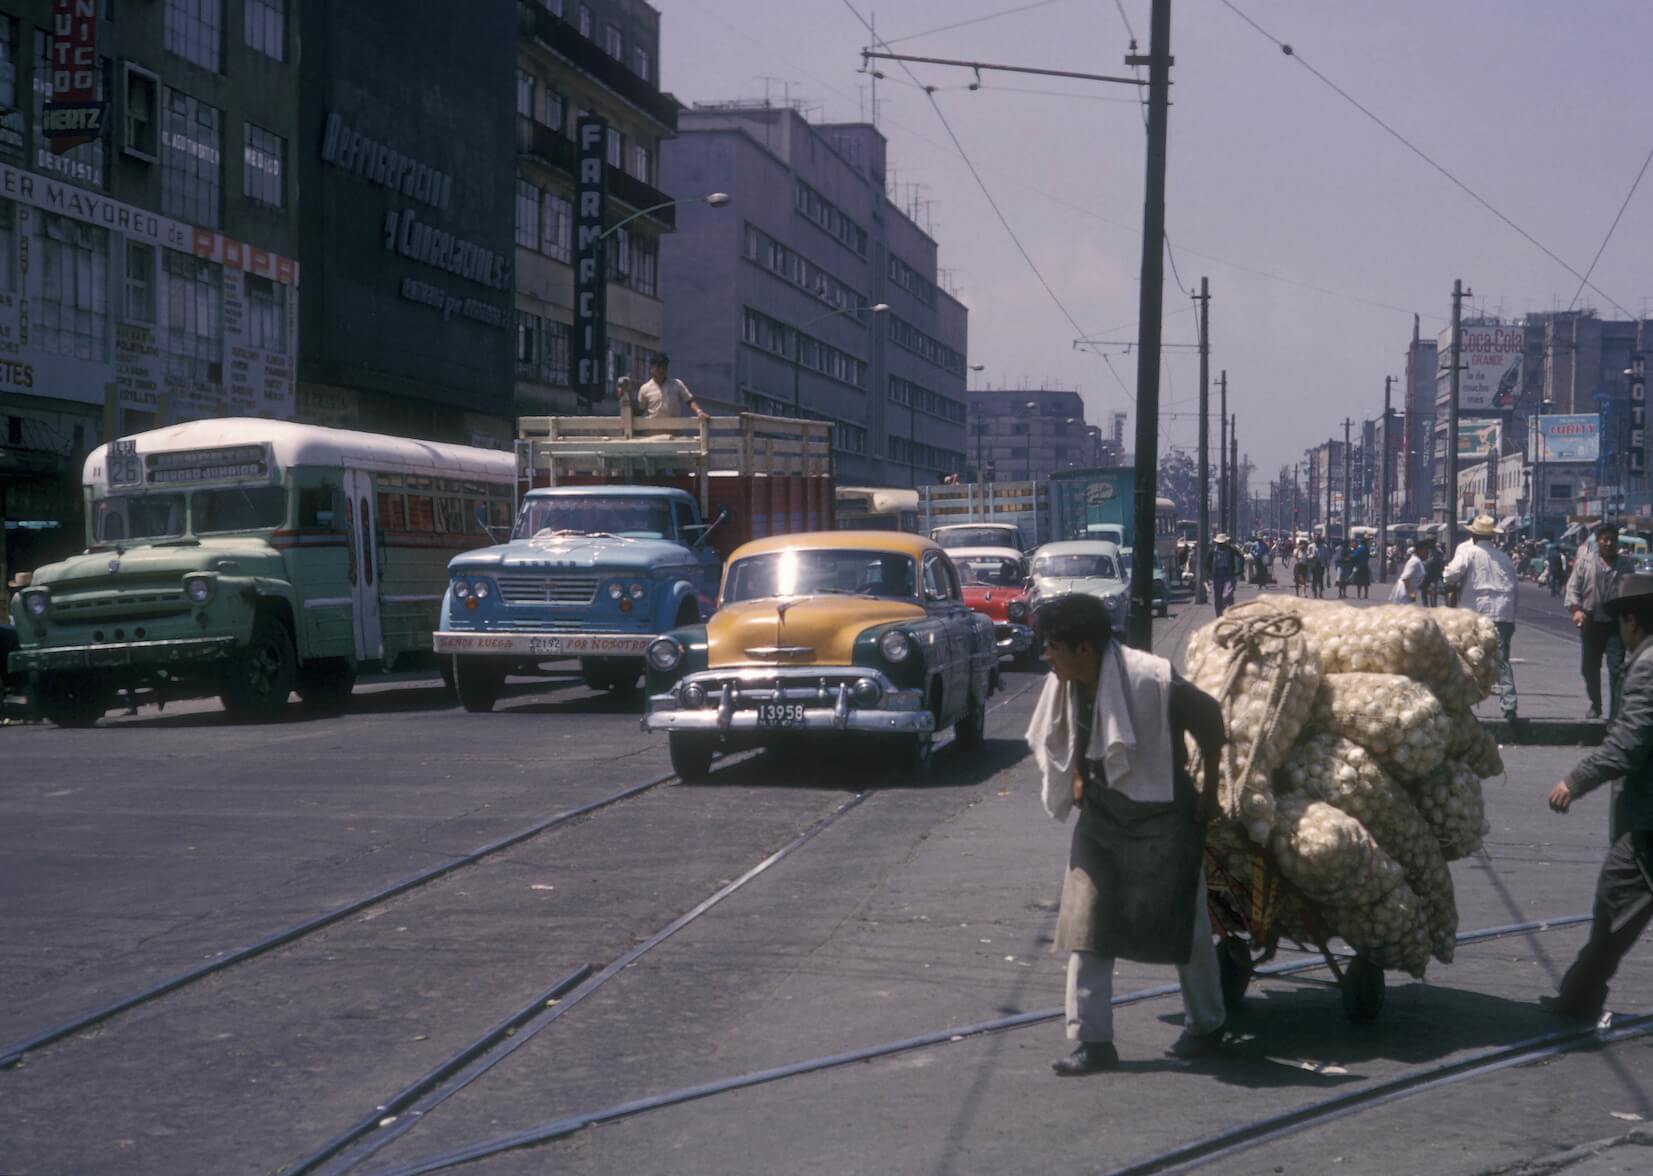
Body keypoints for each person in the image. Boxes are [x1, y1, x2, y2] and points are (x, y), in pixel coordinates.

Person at [1025, 594, 1228, 1074]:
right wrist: (1077, 772)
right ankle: (1093, 1042)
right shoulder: (1069, 683)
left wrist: (1210, 790)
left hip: (1164, 818)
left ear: (1082, 648)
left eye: (1053, 646)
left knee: (1186, 924)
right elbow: (1077, 734)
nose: (1046, 656)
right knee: (1085, 924)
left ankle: (1208, 1023)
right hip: (1102, 819)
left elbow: (1211, 721)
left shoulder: (1152, 680)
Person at [1543, 572, 1653, 1024]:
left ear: (1631, 620)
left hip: (1647, 820)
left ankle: (1578, 1000)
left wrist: (1576, 780)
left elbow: (1631, 740)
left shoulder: (1648, 664)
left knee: (1613, 904)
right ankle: (1579, 997)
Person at [1443, 514, 1519, 722]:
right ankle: (1509, 705)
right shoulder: (1504, 557)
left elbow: (1451, 575)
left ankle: (1462, 703)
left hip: (1475, 614)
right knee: (1502, 661)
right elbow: (1514, 588)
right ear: (1493, 537)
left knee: (1468, 656)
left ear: (1473, 535)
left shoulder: (1468, 552)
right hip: (1503, 613)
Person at [1565, 522, 1636, 721]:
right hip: (1591, 621)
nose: (1608, 543)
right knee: (1589, 668)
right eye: (1604, 539)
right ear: (1598, 541)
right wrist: (1576, 609)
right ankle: (1595, 704)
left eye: (1612, 539)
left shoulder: (1625, 565)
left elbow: (1631, 592)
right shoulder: (1585, 562)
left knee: (1617, 670)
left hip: (1615, 625)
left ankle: (1615, 714)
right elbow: (1572, 588)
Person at [636, 354, 711, 420]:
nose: (662, 370)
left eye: (664, 367)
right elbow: (640, 409)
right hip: (653, 433)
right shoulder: (645, 388)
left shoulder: (677, 384)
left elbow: (689, 400)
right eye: (658, 367)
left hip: (673, 432)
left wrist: (699, 412)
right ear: (651, 368)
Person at [1388, 536, 1434, 605]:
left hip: (1407, 592)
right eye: (1426, 550)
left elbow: (1416, 579)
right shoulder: (1414, 561)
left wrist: (1426, 589)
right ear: (1421, 550)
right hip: (1403, 592)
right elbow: (1405, 578)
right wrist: (1411, 593)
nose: (1428, 553)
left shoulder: (1418, 561)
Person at [1207, 533, 1239, 617]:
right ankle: (1219, 615)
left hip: (1228, 574)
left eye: (1223, 543)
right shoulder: (1213, 552)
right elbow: (1207, 564)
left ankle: (1229, 612)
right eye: (1219, 544)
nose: (1221, 545)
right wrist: (1208, 575)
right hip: (1217, 575)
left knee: (1228, 594)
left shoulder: (1231, 551)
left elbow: (1239, 558)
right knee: (1218, 597)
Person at [1422, 540, 1446, 607]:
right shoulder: (1432, 551)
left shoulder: (1436, 552)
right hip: (1434, 571)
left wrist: (1425, 563)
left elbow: (1432, 560)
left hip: (1433, 572)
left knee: (1423, 588)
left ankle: (1425, 605)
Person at [1350, 535, 1372, 600]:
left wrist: (1350, 555)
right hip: (1365, 566)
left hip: (1359, 567)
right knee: (1366, 583)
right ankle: (1366, 595)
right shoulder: (1366, 549)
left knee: (1359, 583)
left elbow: (1354, 556)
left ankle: (1359, 596)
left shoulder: (1360, 549)